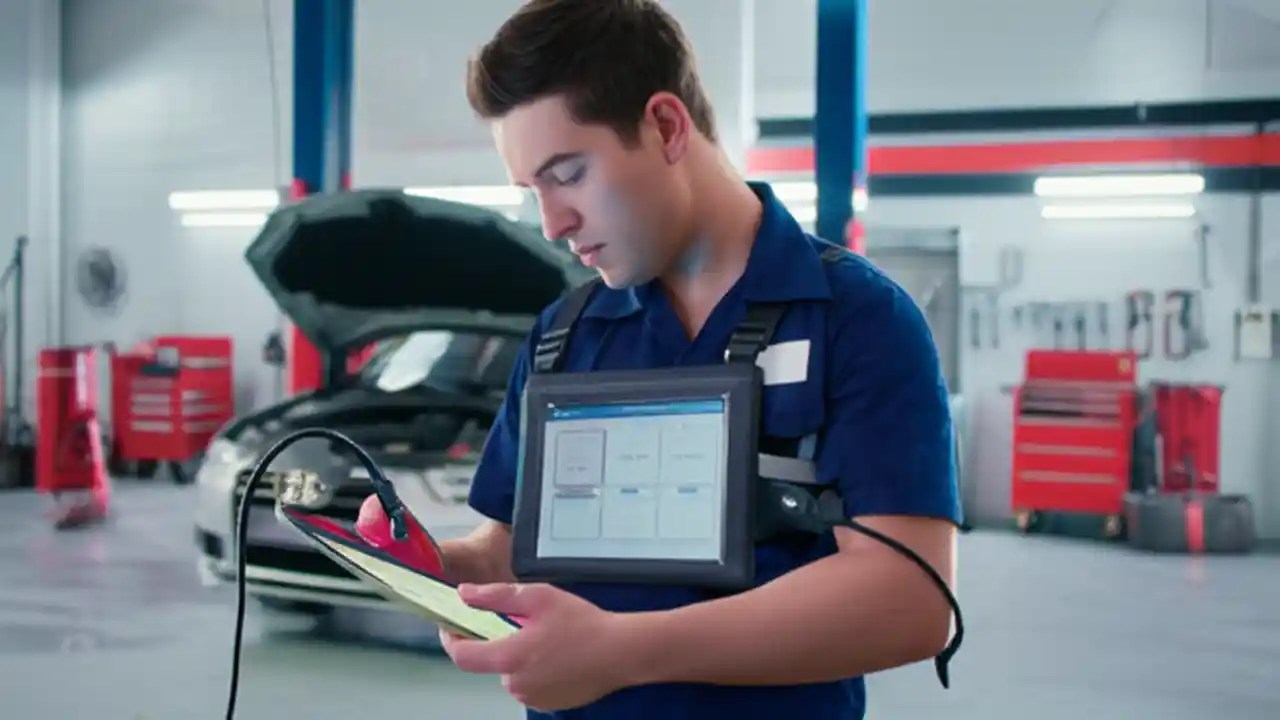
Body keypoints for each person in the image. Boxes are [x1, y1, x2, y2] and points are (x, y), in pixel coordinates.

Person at [435, 1, 963, 718]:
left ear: (665, 126)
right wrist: (432, 564)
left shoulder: (858, 319)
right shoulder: (565, 337)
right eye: (533, 191)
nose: (552, 223)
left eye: (568, 174)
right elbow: (509, 547)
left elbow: (909, 599)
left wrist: (622, 650)